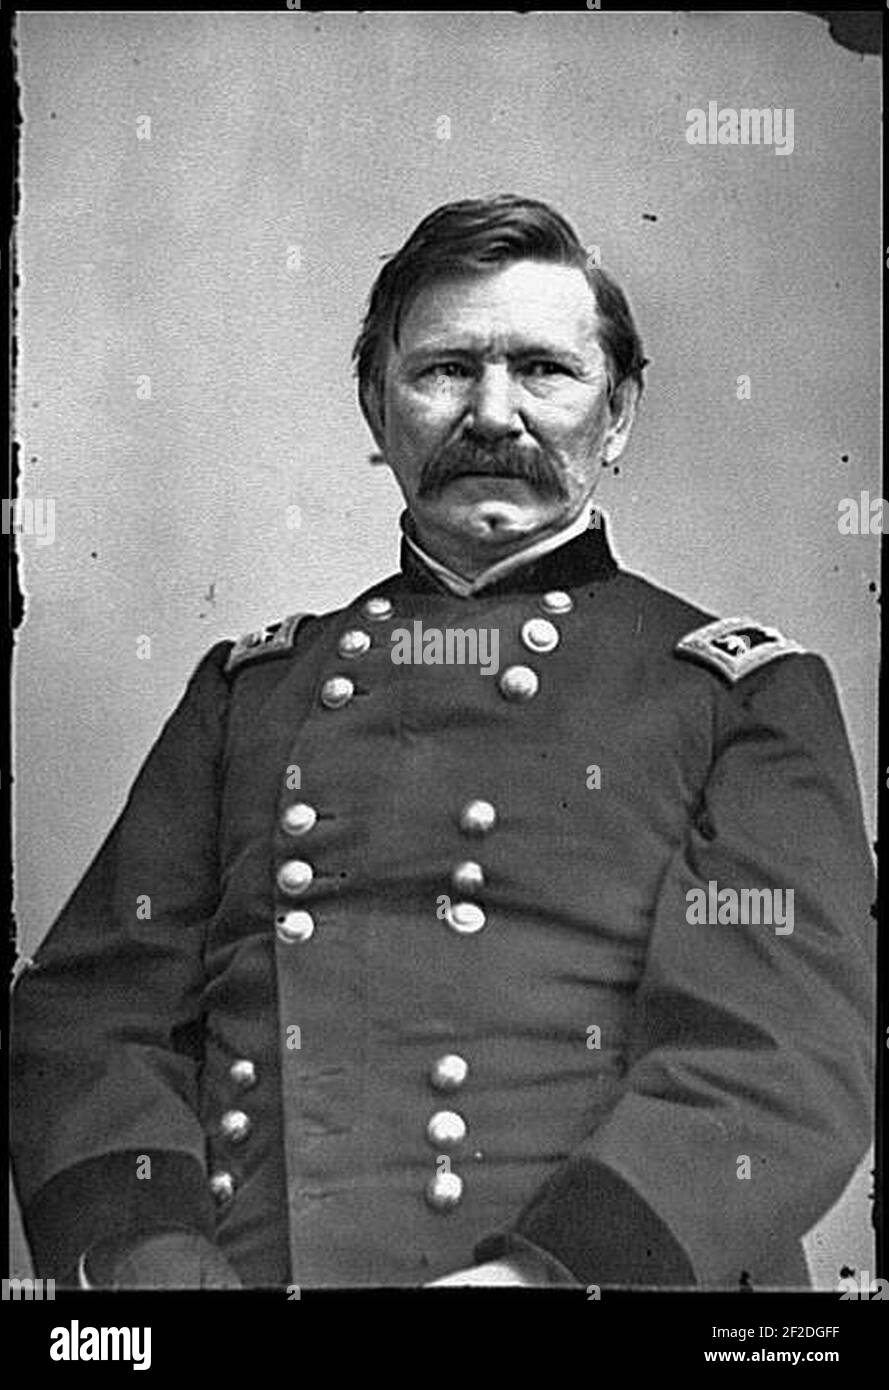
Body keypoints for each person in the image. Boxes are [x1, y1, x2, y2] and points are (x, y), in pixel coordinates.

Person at [11, 194, 875, 1290]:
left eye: (544, 371)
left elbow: (780, 1057)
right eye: (445, 371)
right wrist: (156, 1262)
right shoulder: (248, 694)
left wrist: (539, 1281)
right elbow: (92, 1013)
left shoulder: (741, 695)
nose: (494, 414)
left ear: (617, 415)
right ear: (377, 411)